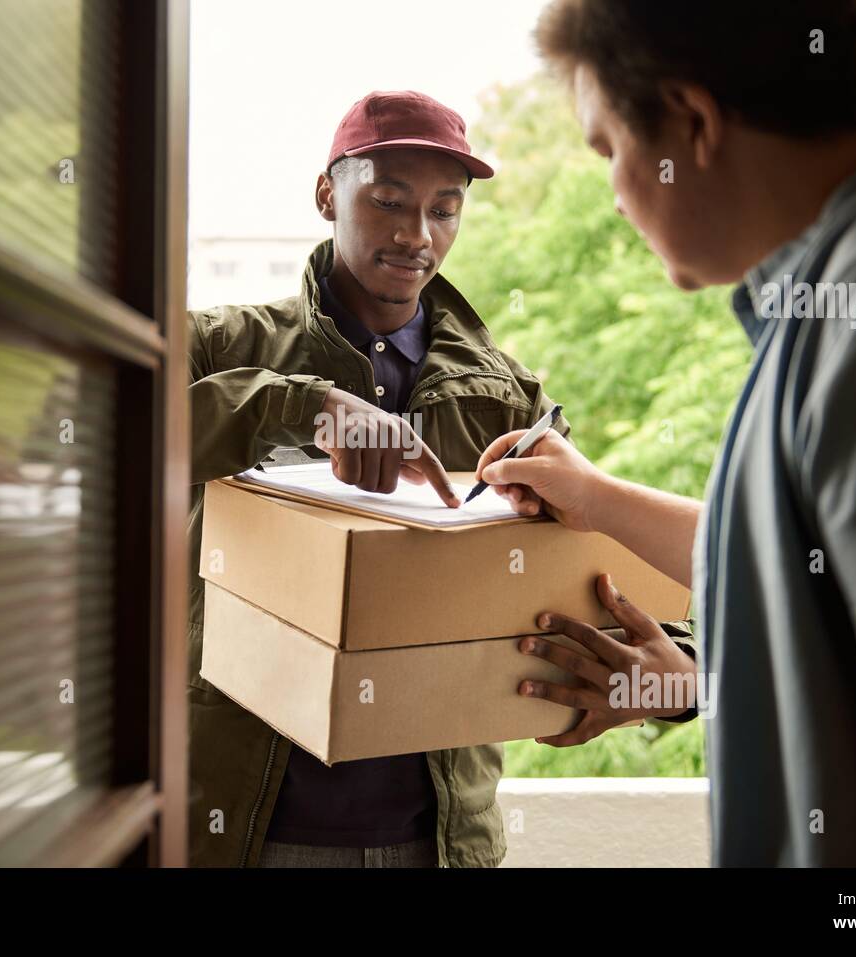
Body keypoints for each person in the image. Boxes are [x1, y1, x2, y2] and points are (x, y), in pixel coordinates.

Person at [476, 0, 856, 866]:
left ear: (691, 123)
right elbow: (815, 564)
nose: (615, 195)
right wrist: (597, 501)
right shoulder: (848, 295)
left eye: (610, 149)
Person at [186, 90, 680, 867]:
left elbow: (602, 566)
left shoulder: (508, 397)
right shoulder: (218, 345)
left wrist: (671, 676)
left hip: (442, 844)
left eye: (445, 211)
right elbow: (89, 431)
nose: (418, 234)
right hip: (240, 835)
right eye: (388, 202)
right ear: (327, 195)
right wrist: (303, 407)